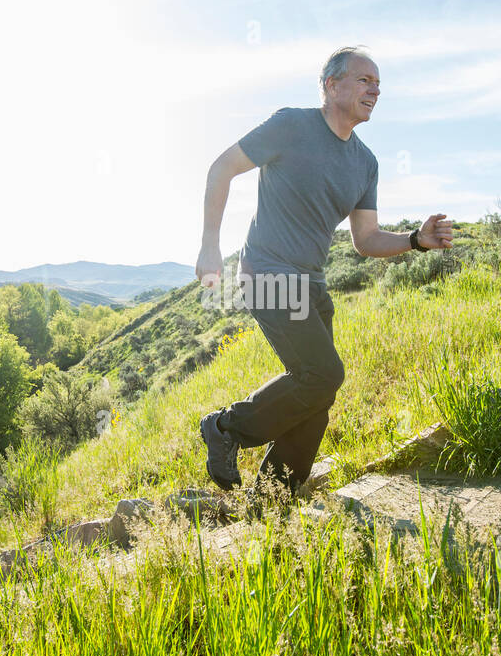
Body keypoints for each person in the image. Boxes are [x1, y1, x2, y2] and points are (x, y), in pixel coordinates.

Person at [194, 45, 454, 499]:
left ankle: (273, 499)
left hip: (311, 283)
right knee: (323, 373)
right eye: (363, 80)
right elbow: (221, 168)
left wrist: (414, 239)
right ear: (331, 85)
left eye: (378, 84)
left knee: (317, 392)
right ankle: (225, 428)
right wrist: (210, 245)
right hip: (267, 273)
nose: (374, 90)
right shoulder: (292, 125)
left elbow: (366, 239)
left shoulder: (365, 163)